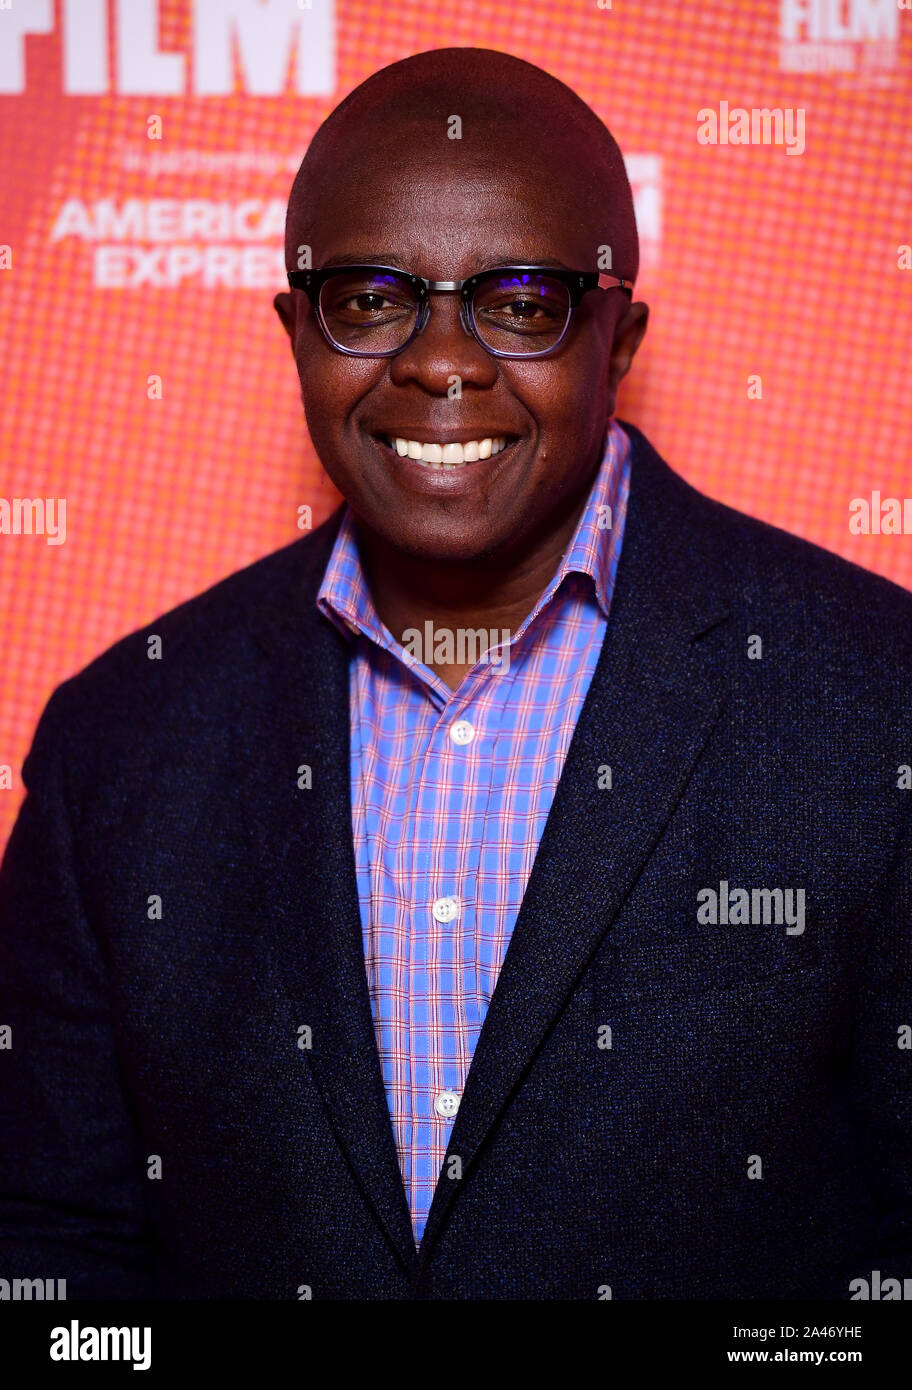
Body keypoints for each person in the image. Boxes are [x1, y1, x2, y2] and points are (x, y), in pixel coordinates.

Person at [1, 47, 910, 1301]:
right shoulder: (120, 740)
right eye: (371, 298)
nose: (442, 362)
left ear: (619, 335)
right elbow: (54, 1259)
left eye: (523, 301)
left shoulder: (872, 700)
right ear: (294, 330)